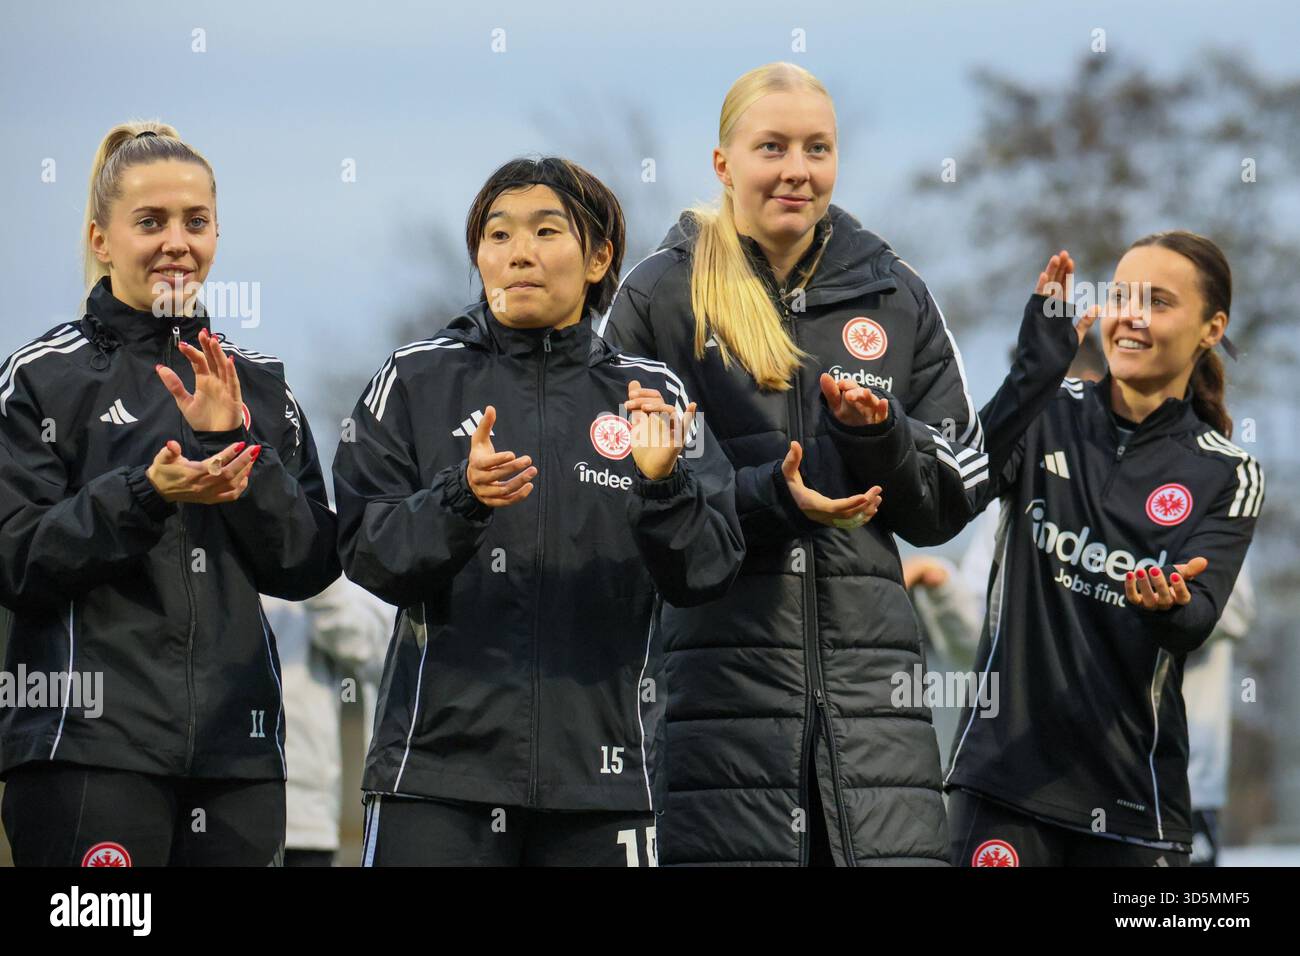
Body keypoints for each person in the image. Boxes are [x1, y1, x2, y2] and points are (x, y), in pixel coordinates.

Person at [599, 60, 1086, 865]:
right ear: (724, 164)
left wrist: (881, 438)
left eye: (818, 148)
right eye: (773, 147)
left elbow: (943, 502)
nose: (798, 169)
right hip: (716, 728)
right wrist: (782, 495)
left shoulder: (896, 292)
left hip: (877, 737)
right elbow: (645, 503)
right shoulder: (659, 298)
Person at [333, 157, 745, 866]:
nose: (518, 252)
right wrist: (460, 499)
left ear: (598, 257)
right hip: (435, 780)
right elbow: (366, 550)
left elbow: (708, 568)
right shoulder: (414, 380)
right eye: (497, 234)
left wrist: (663, 485)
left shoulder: (654, 396)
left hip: (605, 785)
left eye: (545, 231)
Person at [0, 120, 339, 866]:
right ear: (100, 238)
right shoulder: (40, 377)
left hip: (239, 759)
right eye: (149, 222)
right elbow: (15, 558)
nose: (175, 243)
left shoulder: (261, 386)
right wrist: (144, 493)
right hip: (87, 749)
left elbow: (309, 562)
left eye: (196, 222)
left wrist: (232, 447)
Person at [944, 231, 1263, 866]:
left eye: (1159, 302)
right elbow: (954, 492)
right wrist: (1035, 369)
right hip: (1002, 783)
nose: (1131, 316)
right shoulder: (1045, 414)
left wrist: (1168, 605)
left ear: (1211, 327)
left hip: (1135, 803)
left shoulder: (1229, 472)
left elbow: (1198, 618)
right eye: (1121, 296)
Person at [263, 574, 394, 867]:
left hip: (305, 809)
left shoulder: (342, 562)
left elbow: (376, 653)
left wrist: (311, 569)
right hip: (215, 795)